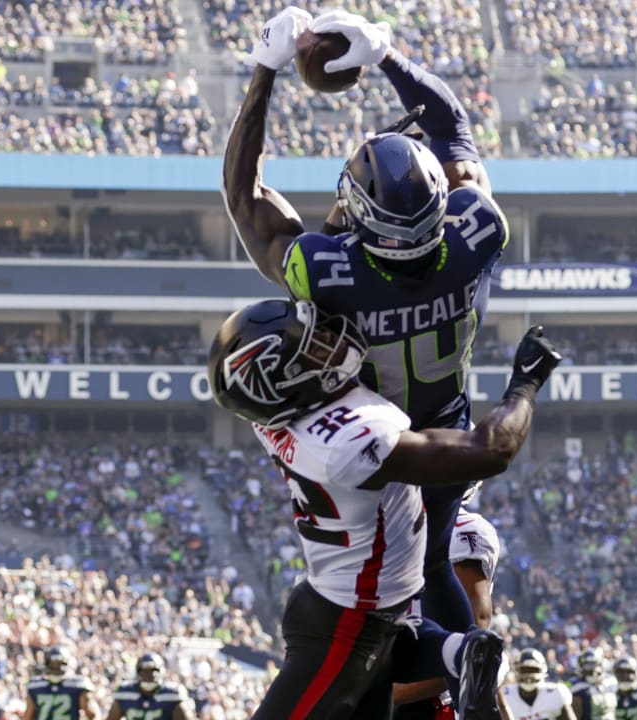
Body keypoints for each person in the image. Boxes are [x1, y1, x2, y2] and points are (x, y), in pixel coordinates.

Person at [224, 6, 508, 713]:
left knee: (370, 609)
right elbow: (454, 131)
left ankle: (439, 685)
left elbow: (243, 195)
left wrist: (263, 73)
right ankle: (454, 671)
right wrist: (387, 56)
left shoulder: (327, 269)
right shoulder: (476, 231)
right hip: (442, 429)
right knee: (424, 583)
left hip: (366, 444)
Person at [209, 299, 561, 720]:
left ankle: (454, 651)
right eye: (314, 349)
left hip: (340, 599)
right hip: (351, 617)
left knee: (370, 649)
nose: (330, 344)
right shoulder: (347, 441)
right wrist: (525, 384)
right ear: (286, 382)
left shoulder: (273, 417)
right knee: (373, 647)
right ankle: (454, 651)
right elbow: (492, 451)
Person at [395, 507, 507, 716]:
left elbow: (472, 637)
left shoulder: (462, 528)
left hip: (424, 700)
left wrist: (393, 693)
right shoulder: (376, 514)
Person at [107, 654, 194, 720]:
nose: (150, 675)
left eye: (154, 670)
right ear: (138, 671)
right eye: (145, 671)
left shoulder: (173, 694)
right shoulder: (125, 692)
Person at [500, 649, 575, 720]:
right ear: (517, 670)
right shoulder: (505, 695)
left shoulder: (556, 693)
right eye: (525, 670)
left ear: (542, 670)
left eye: (533, 670)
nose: (529, 676)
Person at [24, 647, 96, 720]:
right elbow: (91, 714)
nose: (56, 666)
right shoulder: (79, 684)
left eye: (58, 663)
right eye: (54, 664)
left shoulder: (35, 685)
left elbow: (28, 716)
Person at [570, 648, 617, 720]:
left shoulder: (610, 681)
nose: (593, 669)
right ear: (581, 667)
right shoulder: (575, 685)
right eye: (588, 665)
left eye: (595, 664)